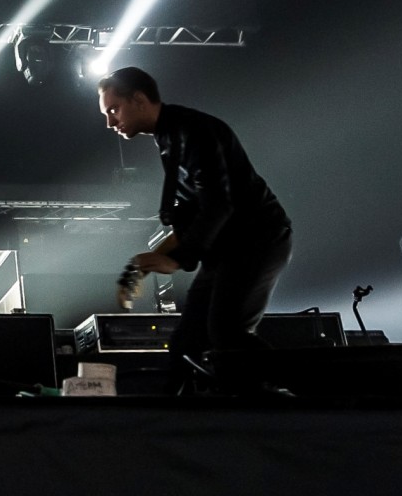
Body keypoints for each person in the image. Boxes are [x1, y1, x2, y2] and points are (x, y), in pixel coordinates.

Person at [97, 66, 292, 393]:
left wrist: (178, 258)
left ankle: (308, 393)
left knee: (227, 333)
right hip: (225, 249)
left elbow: (219, 205)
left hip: (256, 240)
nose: (110, 122)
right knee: (186, 342)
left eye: (114, 109)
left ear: (140, 99)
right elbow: (196, 215)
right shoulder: (170, 136)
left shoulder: (192, 131)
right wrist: (146, 263)